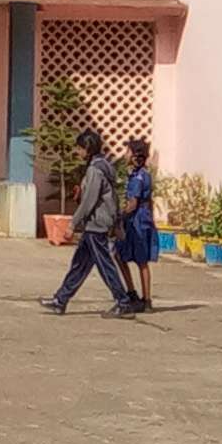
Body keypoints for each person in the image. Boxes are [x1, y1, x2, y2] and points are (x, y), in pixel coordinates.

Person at [40, 128, 137, 316]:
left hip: (97, 223)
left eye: (80, 148)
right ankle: (61, 299)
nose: (78, 152)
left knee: (104, 265)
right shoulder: (102, 165)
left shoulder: (95, 170)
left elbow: (90, 200)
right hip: (96, 223)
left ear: (87, 148)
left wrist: (73, 223)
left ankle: (123, 301)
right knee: (80, 264)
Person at [119, 137, 157, 311]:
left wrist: (120, 217)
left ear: (135, 156)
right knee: (140, 261)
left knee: (124, 256)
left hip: (137, 222)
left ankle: (135, 294)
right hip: (144, 219)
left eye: (128, 151)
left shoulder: (137, 178)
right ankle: (145, 299)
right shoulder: (144, 175)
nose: (125, 154)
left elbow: (133, 203)